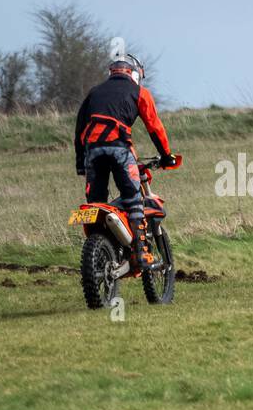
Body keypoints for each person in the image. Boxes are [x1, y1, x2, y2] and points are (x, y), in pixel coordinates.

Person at [74, 55, 178, 269]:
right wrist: (166, 155)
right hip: (120, 149)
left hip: (92, 152)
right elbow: (155, 127)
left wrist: (80, 163)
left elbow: (79, 130)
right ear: (135, 74)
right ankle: (142, 253)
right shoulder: (140, 92)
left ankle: (98, 257)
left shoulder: (94, 92)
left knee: (95, 203)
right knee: (133, 198)